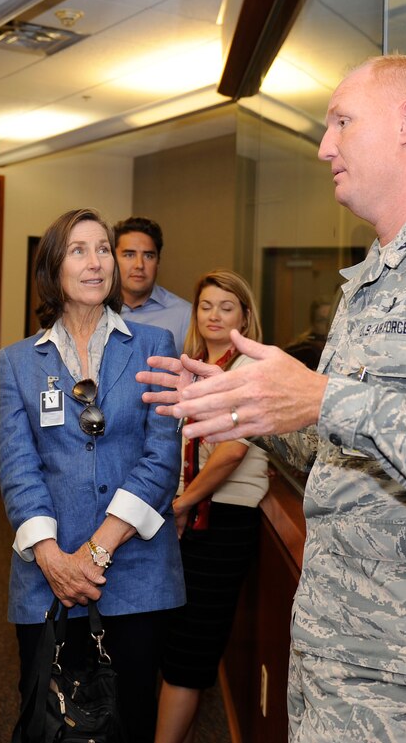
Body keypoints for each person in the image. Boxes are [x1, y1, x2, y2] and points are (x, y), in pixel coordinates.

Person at [137, 55, 406, 742]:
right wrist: (249, 404)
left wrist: (324, 396)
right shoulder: (371, 278)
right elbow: (340, 453)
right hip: (347, 639)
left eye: (341, 120)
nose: (324, 145)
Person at [0, 208, 185, 742]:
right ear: (53, 269)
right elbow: (17, 466)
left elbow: (161, 457)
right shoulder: (18, 362)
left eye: (103, 248)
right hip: (47, 574)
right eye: (79, 250)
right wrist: (55, 558)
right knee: (49, 719)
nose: (97, 261)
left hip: (136, 574)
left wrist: (96, 552)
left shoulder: (154, 346)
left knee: (127, 719)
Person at [155, 270, 269, 743]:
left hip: (222, 522)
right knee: (177, 643)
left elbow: (231, 453)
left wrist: (182, 502)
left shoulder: (248, 370)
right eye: (206, 305)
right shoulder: (199, 364)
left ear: (245, 315)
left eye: (227, 306)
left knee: (189, 653)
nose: (214, 315)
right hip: (191, 516)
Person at [115, 216, 192, 352]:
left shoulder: (186, 316)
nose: (139, 265)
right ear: (113, 260)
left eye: (148, 256)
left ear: (158, 262)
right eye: (129, 255)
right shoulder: (95, 309)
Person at [282, 295, 333, 371]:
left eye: (331, 319)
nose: (327, 325)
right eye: (321, 320)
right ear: (313, 323)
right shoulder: (299, 350)